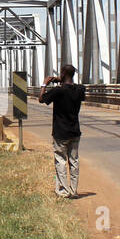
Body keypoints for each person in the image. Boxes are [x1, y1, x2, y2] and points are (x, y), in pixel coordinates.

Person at [38, 64, 85, 197]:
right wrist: (62, 79)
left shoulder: (58, 91)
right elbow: (72, 87)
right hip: (75, 131)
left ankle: (64, 191)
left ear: (63, 73)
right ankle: (74, 190)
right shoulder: (80, 89)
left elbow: (41, 99)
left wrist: (44, 84)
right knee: (74, 161)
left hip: (60, 132)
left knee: (61, 160)